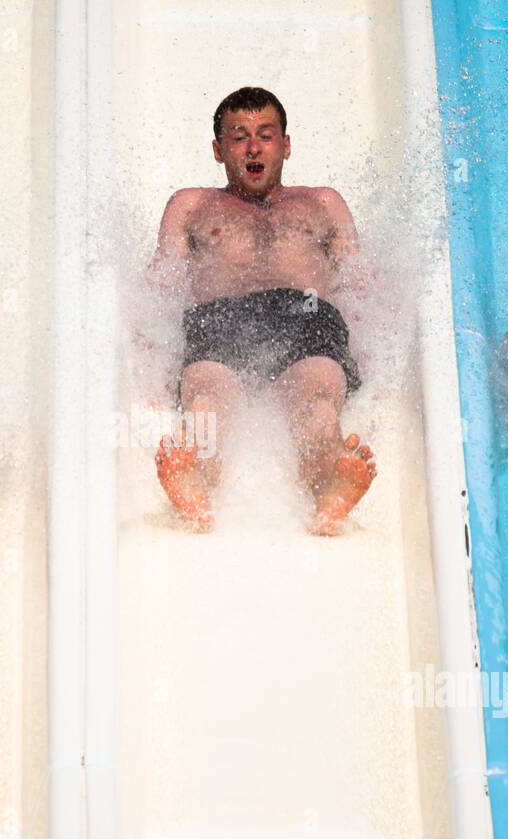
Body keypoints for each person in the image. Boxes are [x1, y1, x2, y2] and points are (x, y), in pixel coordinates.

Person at [148, 86, 376, 535]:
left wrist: (371, 356)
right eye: (238, 136)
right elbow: (159, 291)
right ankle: (192, 480)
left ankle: (332, 482)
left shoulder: (322, 203)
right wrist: (150, 364)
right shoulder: (189, 205)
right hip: (218, 322)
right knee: (209, 400)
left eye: (266, 135)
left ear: (286, 145)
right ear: (218, 150)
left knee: (316, 404)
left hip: (306, 319)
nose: (253, 146)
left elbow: (362, 287)